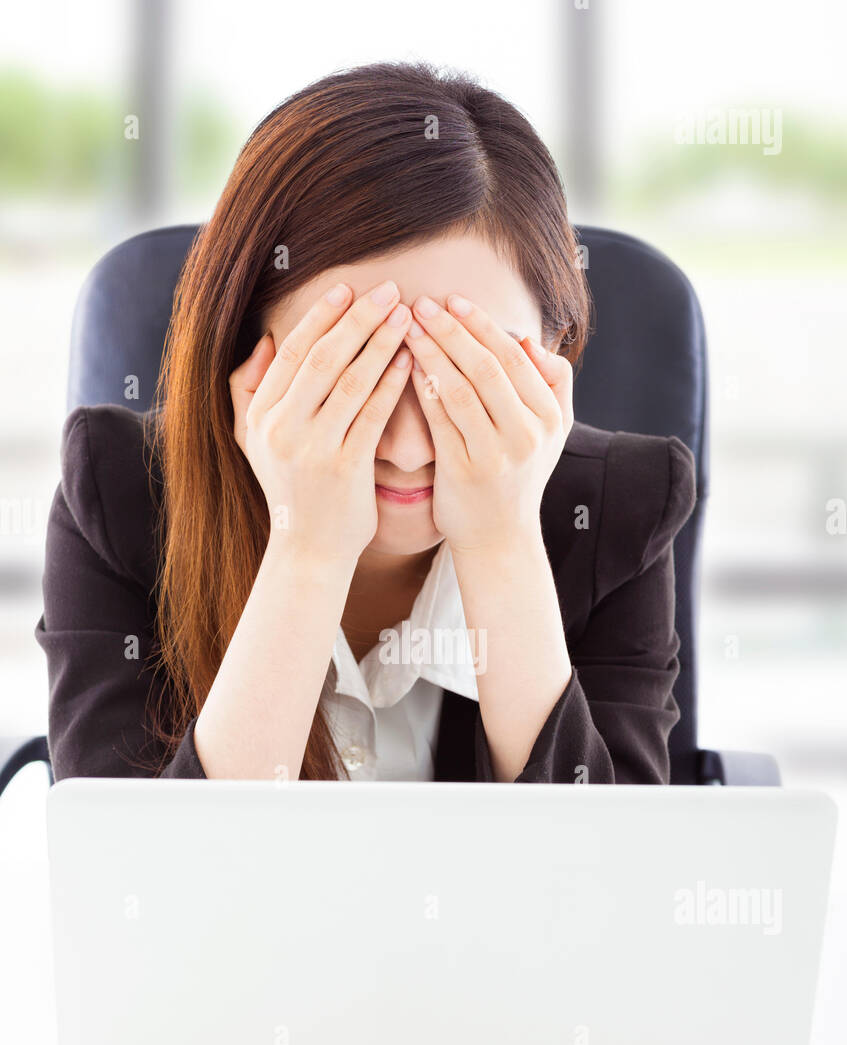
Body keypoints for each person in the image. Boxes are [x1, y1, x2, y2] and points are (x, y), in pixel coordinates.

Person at [36, 61, 695, 785]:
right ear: (245, 352)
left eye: (466, 376)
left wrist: (501, 541)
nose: (409, 450)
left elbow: (608, 883)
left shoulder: (618, 513)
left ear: (551, 357)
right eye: (351, 373)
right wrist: (308, 546)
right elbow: (144, 889)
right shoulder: (117, 497)